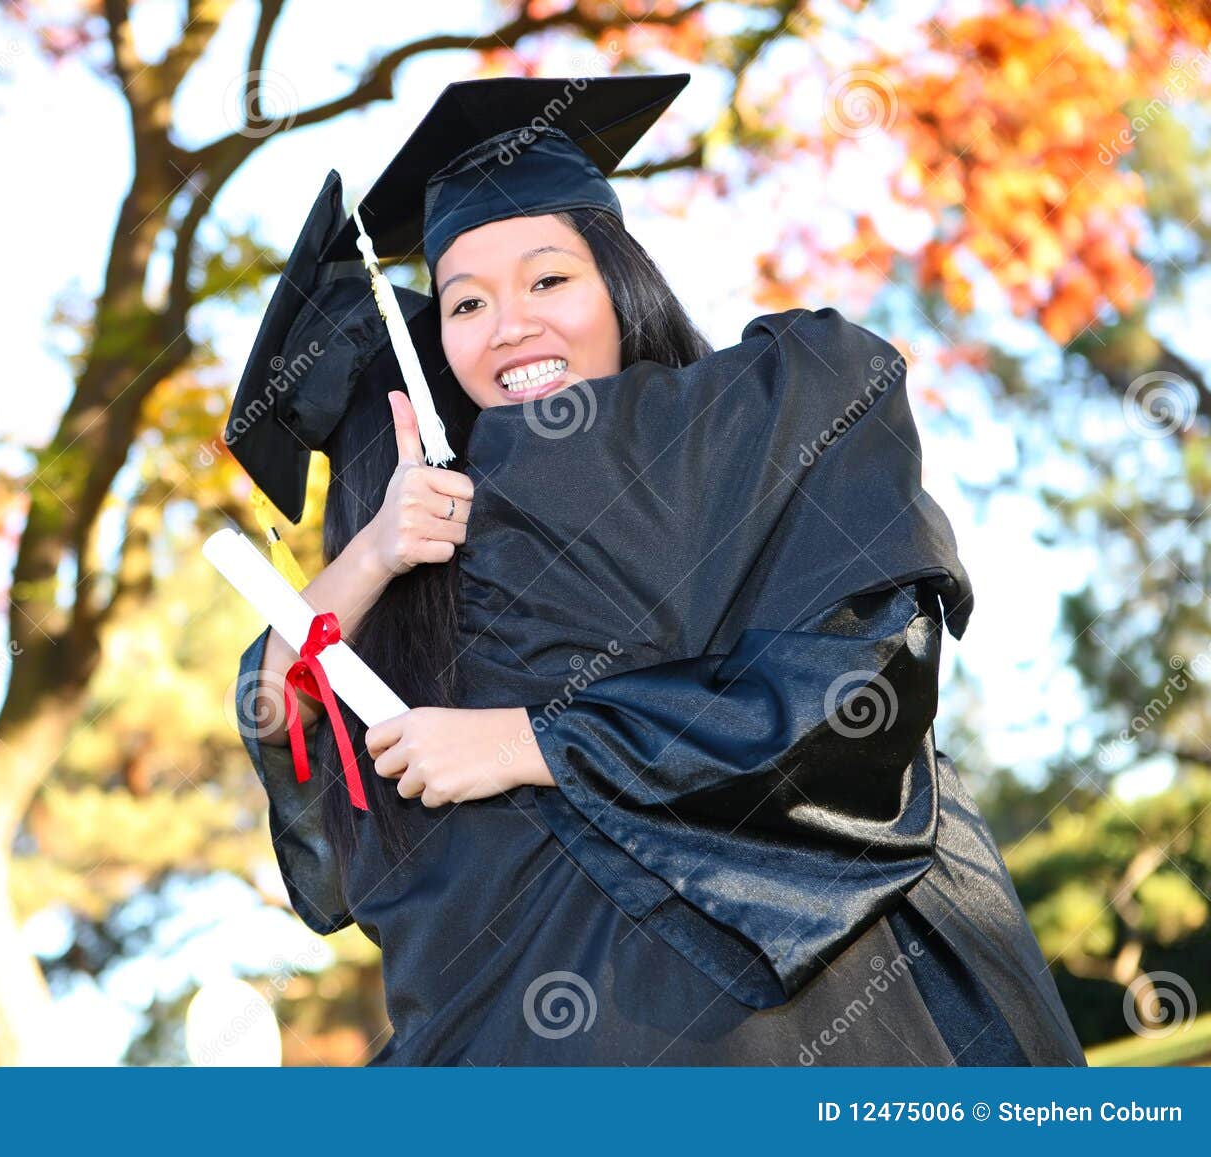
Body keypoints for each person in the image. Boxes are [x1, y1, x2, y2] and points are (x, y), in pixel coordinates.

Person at [221, 74, 1086, 1066]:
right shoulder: (436, 534)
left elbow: (854, 685)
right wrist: (373, 551)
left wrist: (535, 742)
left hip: (812, 982)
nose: (509, 324)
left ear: (619, 281)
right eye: (465, 302)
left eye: (549, 280)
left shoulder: (758, 418)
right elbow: (279, 702)